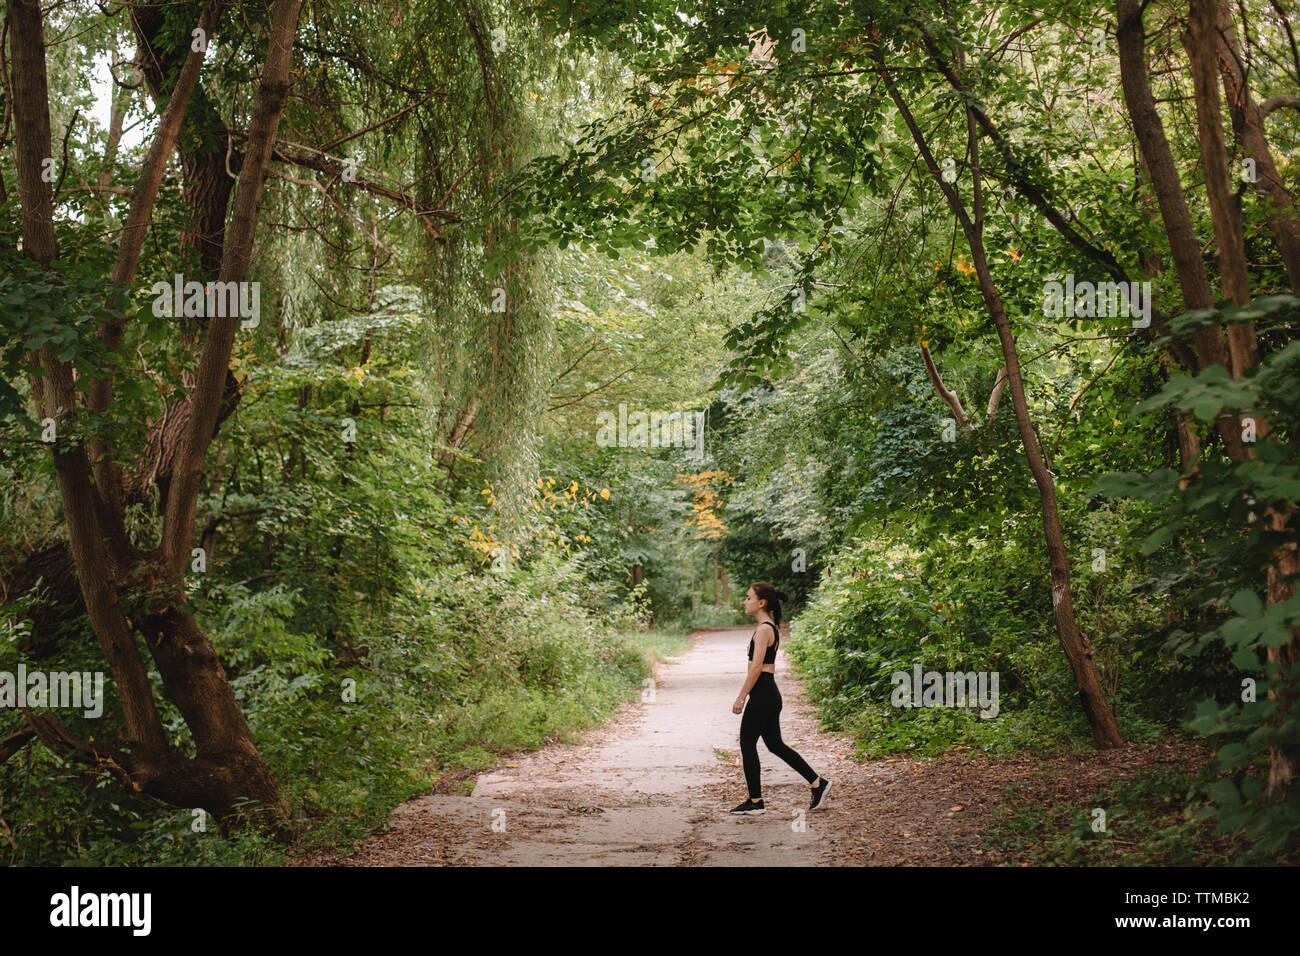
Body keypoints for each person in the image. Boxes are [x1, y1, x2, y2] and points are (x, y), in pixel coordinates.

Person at [730, 582, 830, 815]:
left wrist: (741, 697)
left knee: (747, 743)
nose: (745, 602)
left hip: (763, 694)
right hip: (767, 693)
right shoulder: (768, 627)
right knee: (775, 745)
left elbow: (756, 668)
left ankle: (756, 801)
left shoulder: (764, 629)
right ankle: (817, 783)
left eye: (748, 598)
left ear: (761, 603)